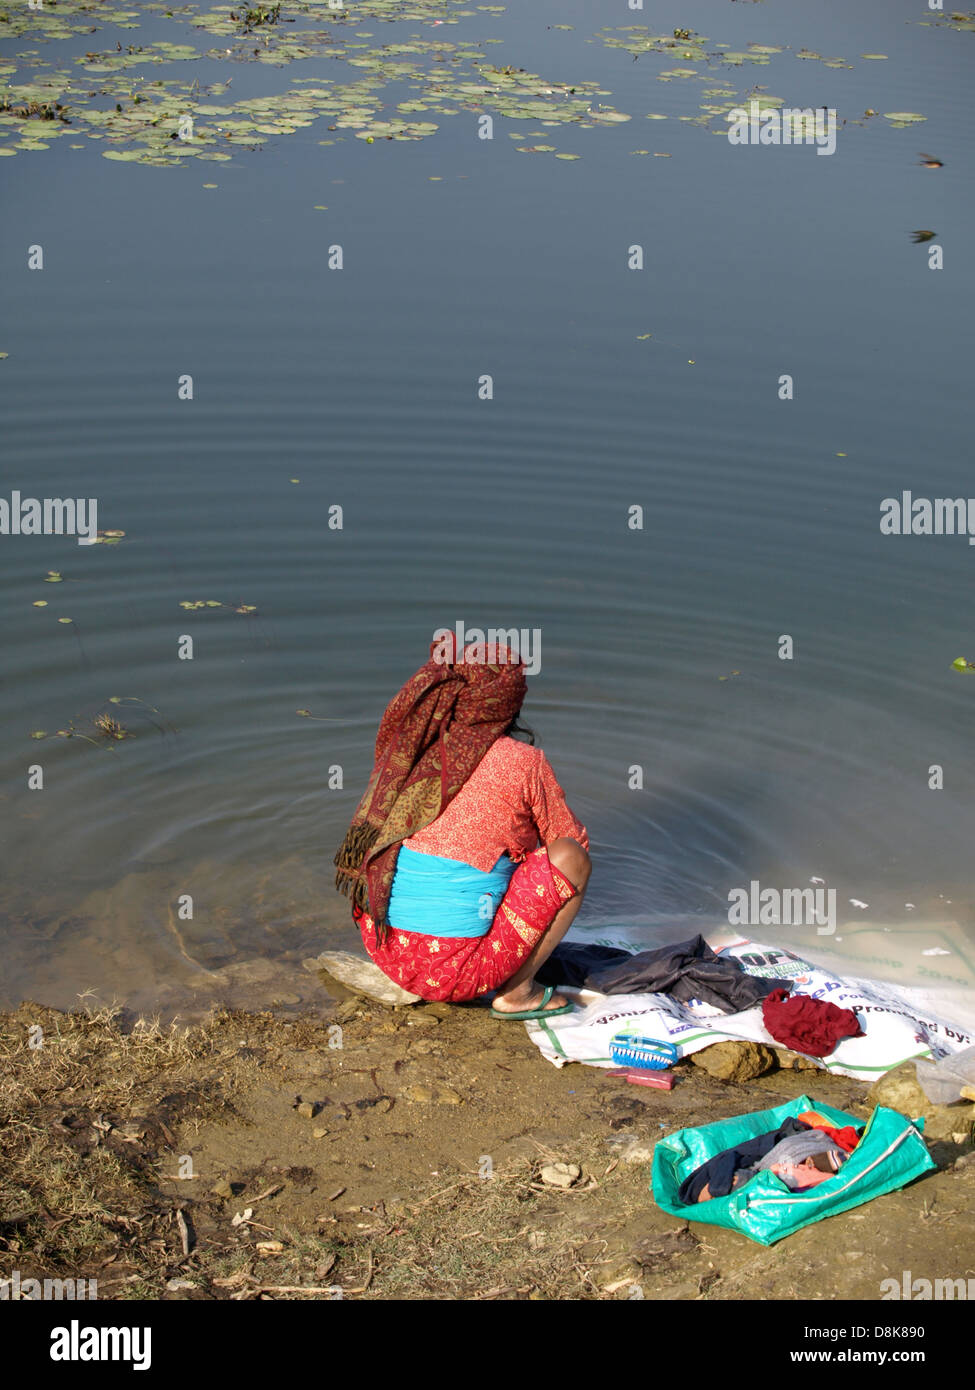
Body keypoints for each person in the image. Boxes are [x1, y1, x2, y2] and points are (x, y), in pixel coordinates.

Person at [334, 634, 591, 1017]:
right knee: (570, 859)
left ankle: (416, 954)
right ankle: (518, 992)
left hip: (387, 952)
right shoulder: (523, 762)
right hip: (458, 974)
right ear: (509, 703)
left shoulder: (413, 749)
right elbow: (570, 842)